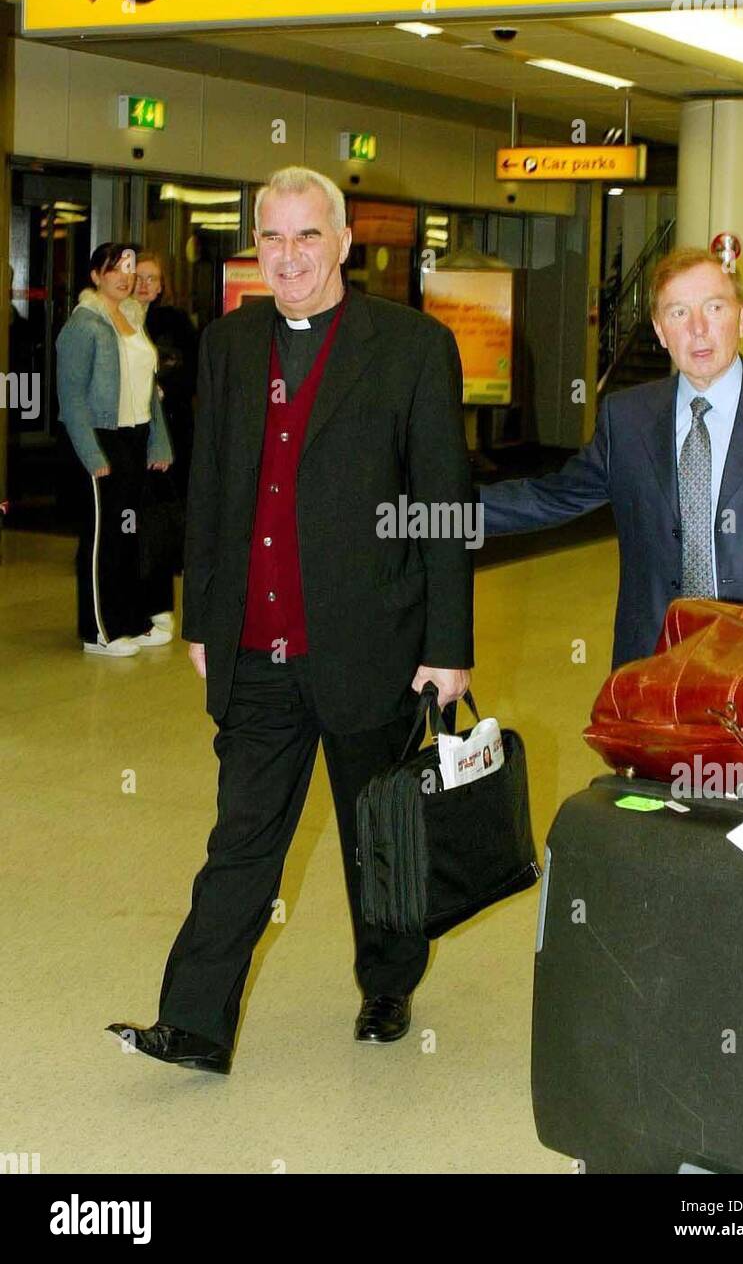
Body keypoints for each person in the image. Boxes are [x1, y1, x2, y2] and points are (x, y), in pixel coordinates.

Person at [107, 167, 474, 1073]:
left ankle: (386, 981)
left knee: (375, 838)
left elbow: (442, 504)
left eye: (308, 236)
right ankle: (194, 1023)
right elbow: (215, 490)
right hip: (260, 649)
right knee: (240, 839)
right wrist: (204, 617)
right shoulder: (232, 347)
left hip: (372, 646)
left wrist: (447, 646)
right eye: (272, 238)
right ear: (255, 248)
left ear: (345, 243)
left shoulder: (412, 347)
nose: (290, 256)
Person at [480, 246, 743, 669]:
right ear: (660, 331)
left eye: (714, 307)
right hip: (656, 668)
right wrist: (443, 513)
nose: (698, 329)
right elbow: (549, 497)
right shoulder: (627, 418)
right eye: (678, 313)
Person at [56, 243, 174, 657]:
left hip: (135, 437)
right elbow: (70, 399)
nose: (125, 277)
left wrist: (157, 439)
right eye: (115, 270)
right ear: (95, 276)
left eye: (129, 269)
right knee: (102, 539)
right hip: (101, 438)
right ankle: (99, 631)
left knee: (129, 533)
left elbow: (149, 391)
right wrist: (92, 455)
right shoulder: (84, 325)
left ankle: (130, 620)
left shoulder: (133, 318)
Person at [134, 252, 198, 498]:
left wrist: (164, 389)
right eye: (138, 277)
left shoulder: (175, 320)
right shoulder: (115, 320)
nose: (143, 284)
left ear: (161, 285)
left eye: (151, 278)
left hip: (171, 419)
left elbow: (193, 369)